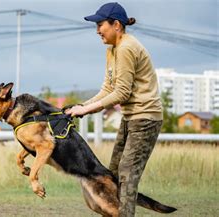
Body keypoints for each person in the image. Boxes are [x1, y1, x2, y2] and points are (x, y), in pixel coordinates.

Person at [66, 2, 163, 216]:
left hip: (145, 118)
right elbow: (108, 88)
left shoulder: (128, 47)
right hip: (130, 118)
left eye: (100, 24)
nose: (97, 30)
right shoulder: (112, 50)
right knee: (114, 176)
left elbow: (121, 94)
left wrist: (87, 110)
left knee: (127, 175)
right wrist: (83, 106)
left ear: (116, 24)